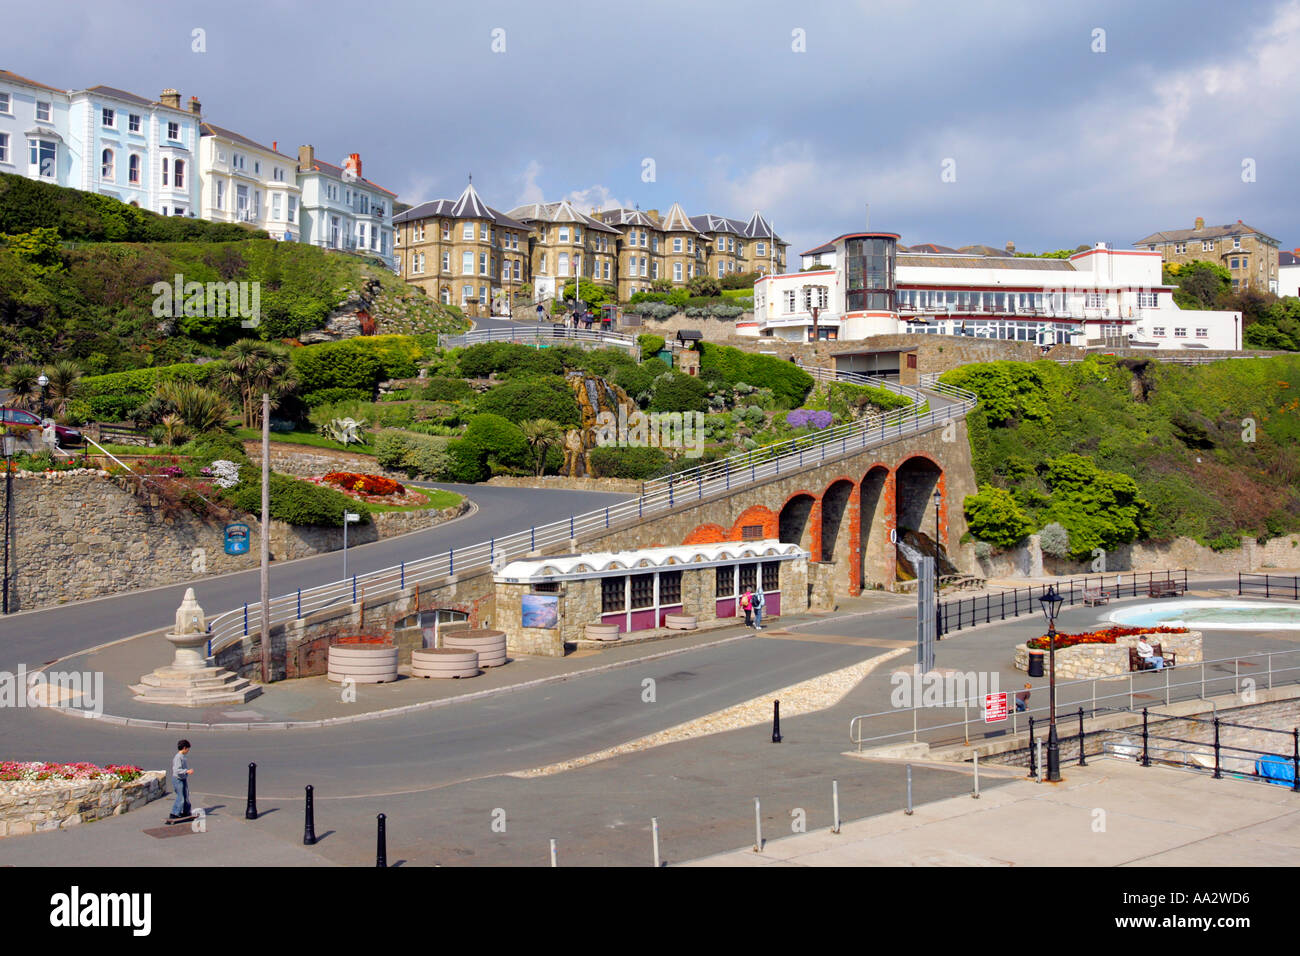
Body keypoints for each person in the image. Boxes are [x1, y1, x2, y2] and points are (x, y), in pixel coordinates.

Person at [170, 739, 194, 819]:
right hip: (178, 779)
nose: (188, 751)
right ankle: (174, 813)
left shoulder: (183, 757)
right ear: (184, 748)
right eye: (188, 749)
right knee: (181, 797)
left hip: (183, 779)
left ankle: (186, 811)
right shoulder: (178, 757)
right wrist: (187, 771)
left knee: (186, 795)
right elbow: (177, 770)